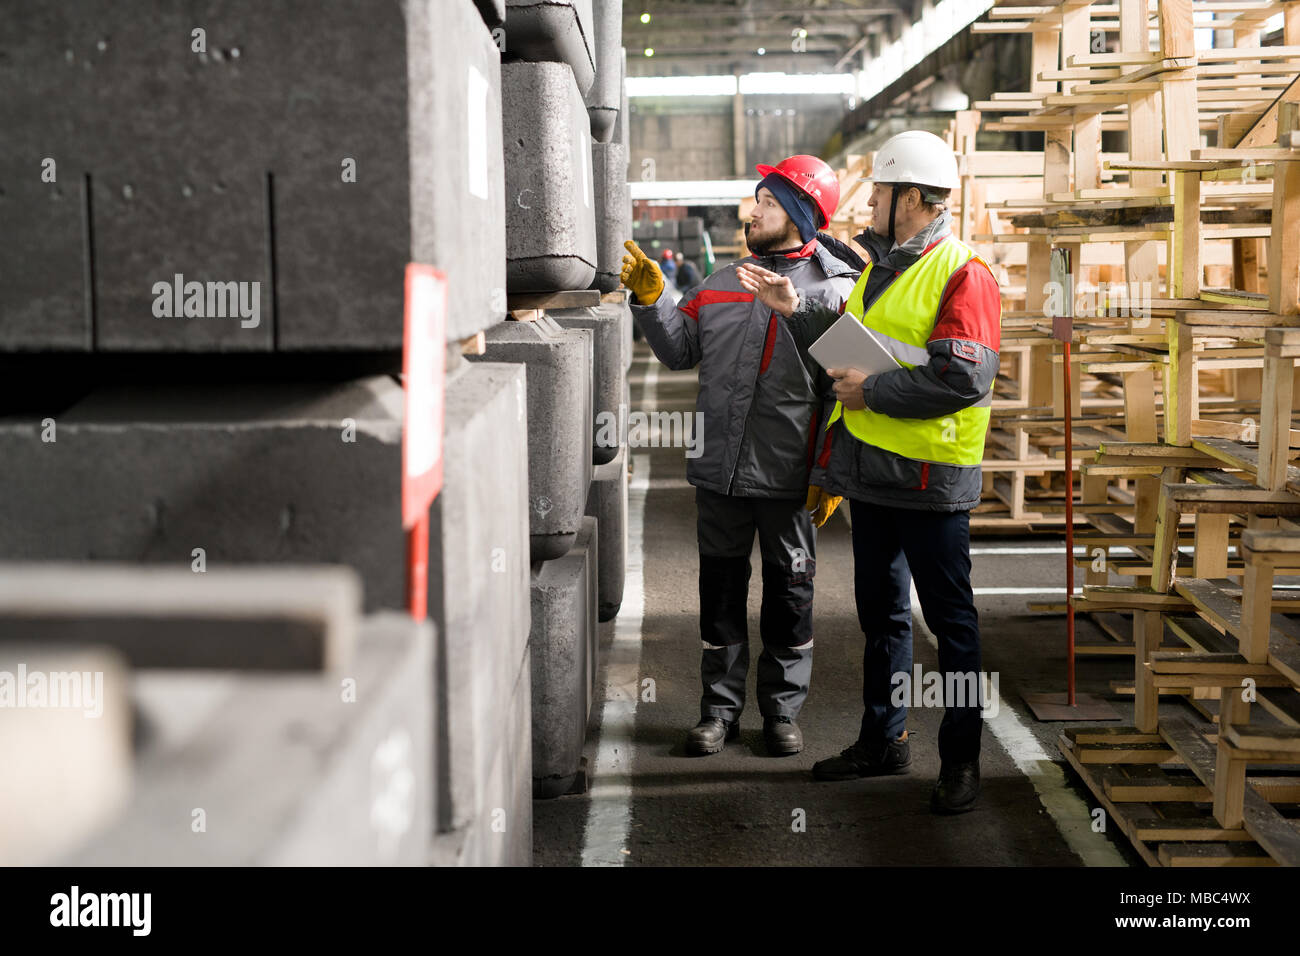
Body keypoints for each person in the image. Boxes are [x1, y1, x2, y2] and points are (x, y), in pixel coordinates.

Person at [736, 130, 1001, 813]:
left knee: (952, 626)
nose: (872, 200)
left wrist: (873, 394)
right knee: (882, 618)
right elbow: (854, 346)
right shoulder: (885, 268)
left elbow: (963, 377)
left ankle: (963, 759)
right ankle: (884, 740)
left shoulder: (962, 271)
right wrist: (795, 313)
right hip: (874, 477)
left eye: (882, 191)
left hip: (931, 482)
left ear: (912, 198)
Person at [620, 155, 859, 757]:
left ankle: (781, 712)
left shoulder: (839, 293)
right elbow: (679, 350)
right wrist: (654, 301)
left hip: (789, 479)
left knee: (790, 596)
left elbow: (851, 385)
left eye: (769, 203)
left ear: (803, 215)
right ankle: (718, 712)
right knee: (720, 597)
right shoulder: (724, 281)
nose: (753, 211)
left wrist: (831, 470)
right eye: (756, 200)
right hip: (719, 474)